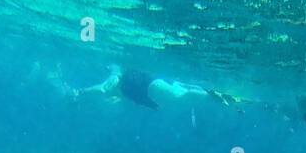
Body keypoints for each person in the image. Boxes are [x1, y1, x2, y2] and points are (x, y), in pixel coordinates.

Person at [74, 65, 239, 110]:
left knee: (180, 96)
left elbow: (101, 89)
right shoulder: (122, 84)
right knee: (181, 88)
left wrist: (81, 91)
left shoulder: (114, 80)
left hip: (151, 86)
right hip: (156, 81)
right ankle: (212, 93)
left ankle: (211, 95)